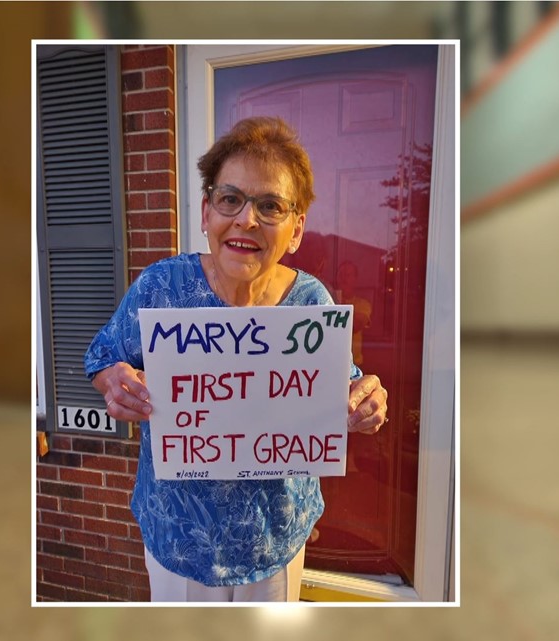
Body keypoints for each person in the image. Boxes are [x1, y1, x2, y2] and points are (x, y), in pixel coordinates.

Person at [84, 116, 389, 602]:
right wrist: (113, 381)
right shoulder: (162, 288)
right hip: (178, 540)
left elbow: (345, 387)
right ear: (207, 212)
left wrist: (365, 401)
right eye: (231, 199)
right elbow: (102, 355)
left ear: (296, 229)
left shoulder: (310, 302)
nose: (247, 219)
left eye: (270, 206)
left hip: (275, 542)